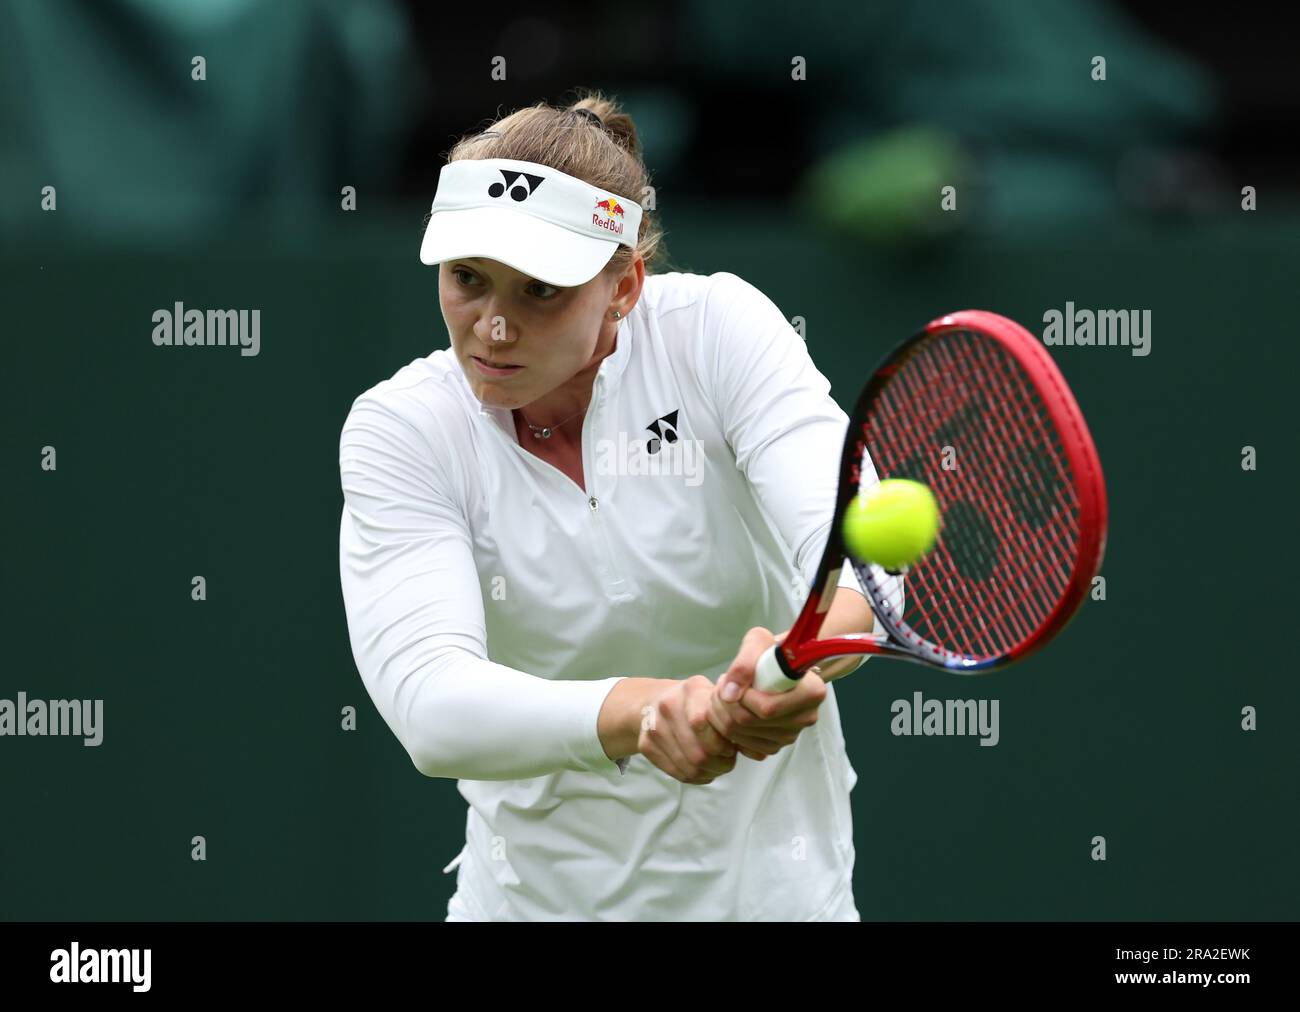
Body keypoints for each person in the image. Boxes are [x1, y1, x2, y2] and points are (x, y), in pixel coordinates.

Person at [338, 91, 886, 921]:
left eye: (540, 291)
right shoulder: (403, 429)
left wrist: (806, 651)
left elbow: (857, 557)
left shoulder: (717, 332)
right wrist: (643, 708)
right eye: (467, 279)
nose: (492, 326)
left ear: (625, 284)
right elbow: (433, 708)